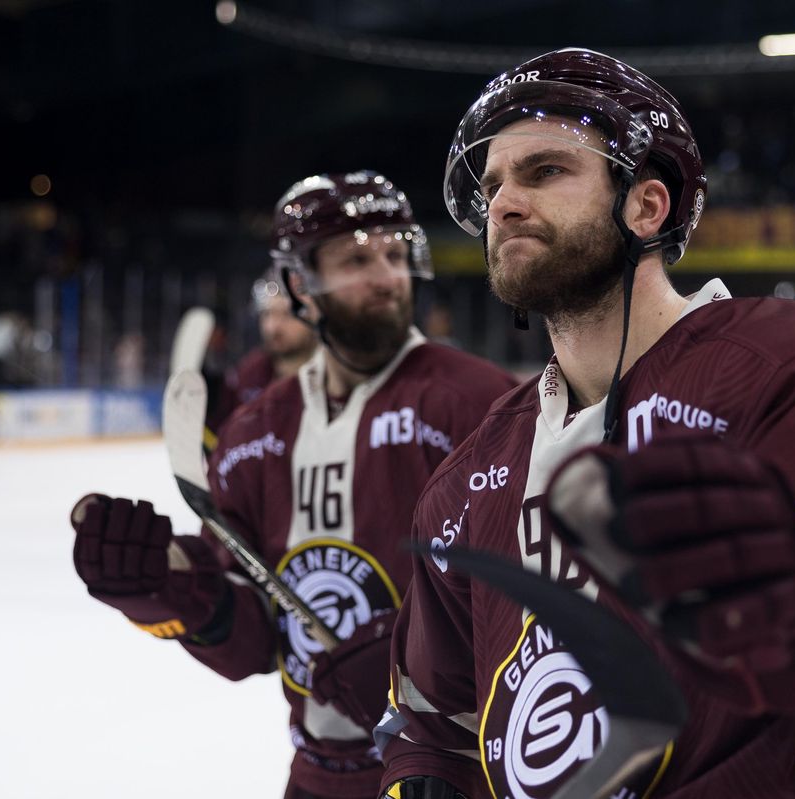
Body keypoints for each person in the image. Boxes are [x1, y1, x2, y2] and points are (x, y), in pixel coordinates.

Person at [378, 49, 795, 799]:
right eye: (492, 184)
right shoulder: (468, 478)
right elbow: (435, 721)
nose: (502, 203)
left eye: (545, 171)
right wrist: (423, 779)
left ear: (647, 206)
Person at [70, 171, 517, 799]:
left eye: (395, 255)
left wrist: (417, 667)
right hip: (316, 777)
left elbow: (532, 596)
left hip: (458, 774)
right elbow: (252, 635)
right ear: (300, 285)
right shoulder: (253, 431)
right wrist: (164, 588)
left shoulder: (479, 404)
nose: (387, 278)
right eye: (356, 260)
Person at [205, 268, 318, 435]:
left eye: (287, 314)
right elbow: (222, 431)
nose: (272, 327)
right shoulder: (250, 373)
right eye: (267, 314)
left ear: (314, 316)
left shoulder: (334, 377)